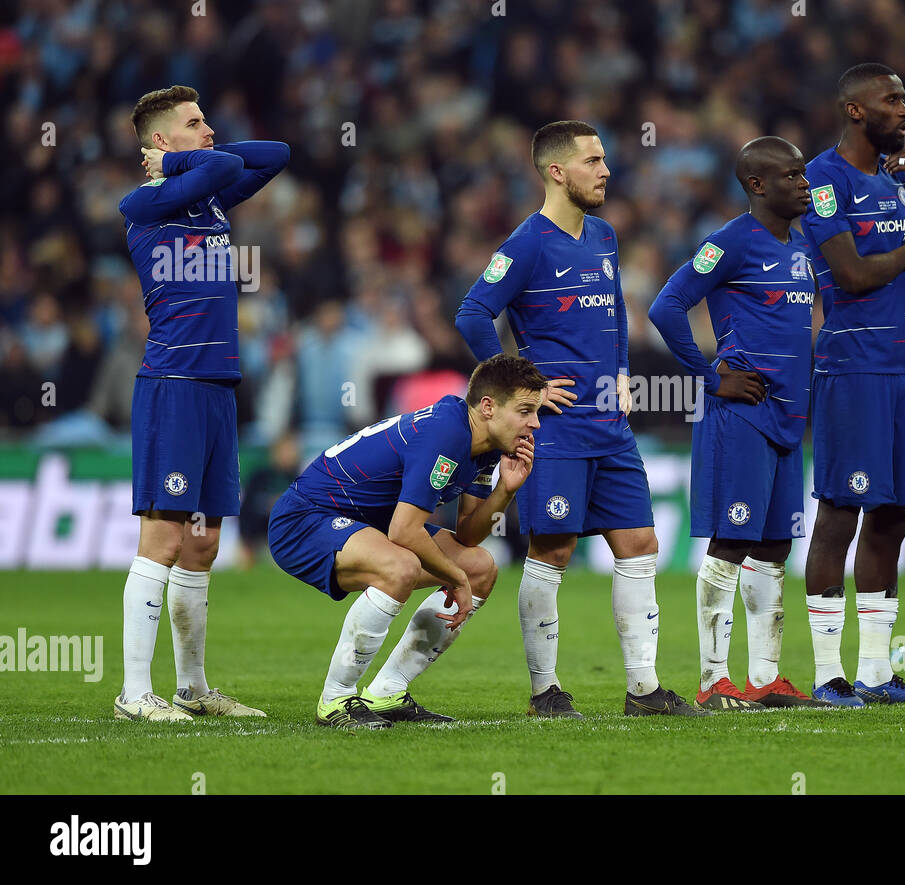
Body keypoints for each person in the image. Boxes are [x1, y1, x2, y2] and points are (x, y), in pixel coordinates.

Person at [455, 121, 702, 717]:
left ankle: (643, 689)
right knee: (555, 550)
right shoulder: (527, 244)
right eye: (593, 160)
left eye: (605, 158)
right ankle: (545, 691)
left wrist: (619, 371)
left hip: (609, 426)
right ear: (556, 172)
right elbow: (472, 315)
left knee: (639, 543)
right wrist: (526, 386)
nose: (606, 170)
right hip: (554, 430)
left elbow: (616, 312)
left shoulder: (605, 236)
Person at [115, 85, 289, 721]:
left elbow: (274, 154)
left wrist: (187, 156)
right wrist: (184, 164)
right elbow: (220, 164)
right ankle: (134, 694)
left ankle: (192, 689)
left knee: (203, 545)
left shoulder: (206, 194)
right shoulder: (144, 202)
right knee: (161, 540)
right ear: (159, 143)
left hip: (218, 388)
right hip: (173, 387)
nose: (210, 131)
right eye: (194, 123)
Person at [267, 354, 544, 729]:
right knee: (401, 566)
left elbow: (467, 534)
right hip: (305, 519)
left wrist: (505, 492)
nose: (535, 423)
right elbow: (404, 532)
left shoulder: (487, 446)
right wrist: (454, 578)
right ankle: (335, 700)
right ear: (488, 407)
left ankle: (387, 692)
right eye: (526, 410)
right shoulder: (447, 434)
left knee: (479, 567)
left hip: (367, 523)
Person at [649, 137, 827, 710]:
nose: (805, 184)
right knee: (731, 542)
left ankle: (766, 678)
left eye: (804, 174)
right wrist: (706, 377)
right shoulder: (729, 242)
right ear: (757, 184)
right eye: (792, 176)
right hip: (741, 414)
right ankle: (712, 681)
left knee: (774, 546)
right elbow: (665, 305)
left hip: (787, 418)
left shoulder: (800, 246)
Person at [800, 64, 905, 705]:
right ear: (856, 111)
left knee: (891, 516)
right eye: (892, 100)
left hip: (899, 367)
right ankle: (829, 676)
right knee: (840, 514)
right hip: (851, 364)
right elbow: (853, 275)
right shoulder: (821, 179)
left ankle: (879, 675)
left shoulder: (900, 181)